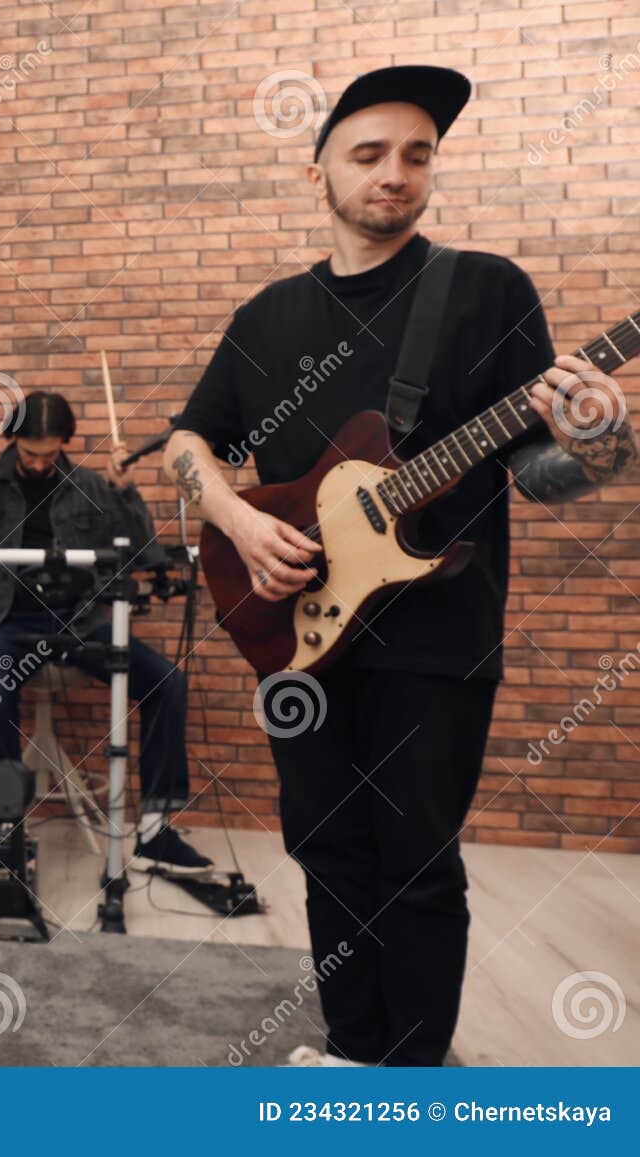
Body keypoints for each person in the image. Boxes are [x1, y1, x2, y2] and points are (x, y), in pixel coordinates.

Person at [163, 66, 637, 1066]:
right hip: (295, 629)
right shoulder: (267, 318)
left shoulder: (484, 290)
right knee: (327, 850)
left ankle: (412, 1082)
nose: (395, 174)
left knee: (416, 862)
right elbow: (188, 442)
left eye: (416, 155)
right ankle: (349, 1050)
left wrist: (604, 438)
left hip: (438, 631)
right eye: (369, 153)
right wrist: (236, 522)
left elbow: (540, 474)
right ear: (318, 170)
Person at [0, 391, 211, 874]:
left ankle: (155, 830)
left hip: (79, 622)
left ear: (63, 445)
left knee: (166, 683)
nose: (39, 464)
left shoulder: (89, 484)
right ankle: (6, 824)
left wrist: (123, 491)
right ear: (13, 441)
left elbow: (140, 549)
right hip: (3, 622)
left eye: (50, 454)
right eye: (30, 453)